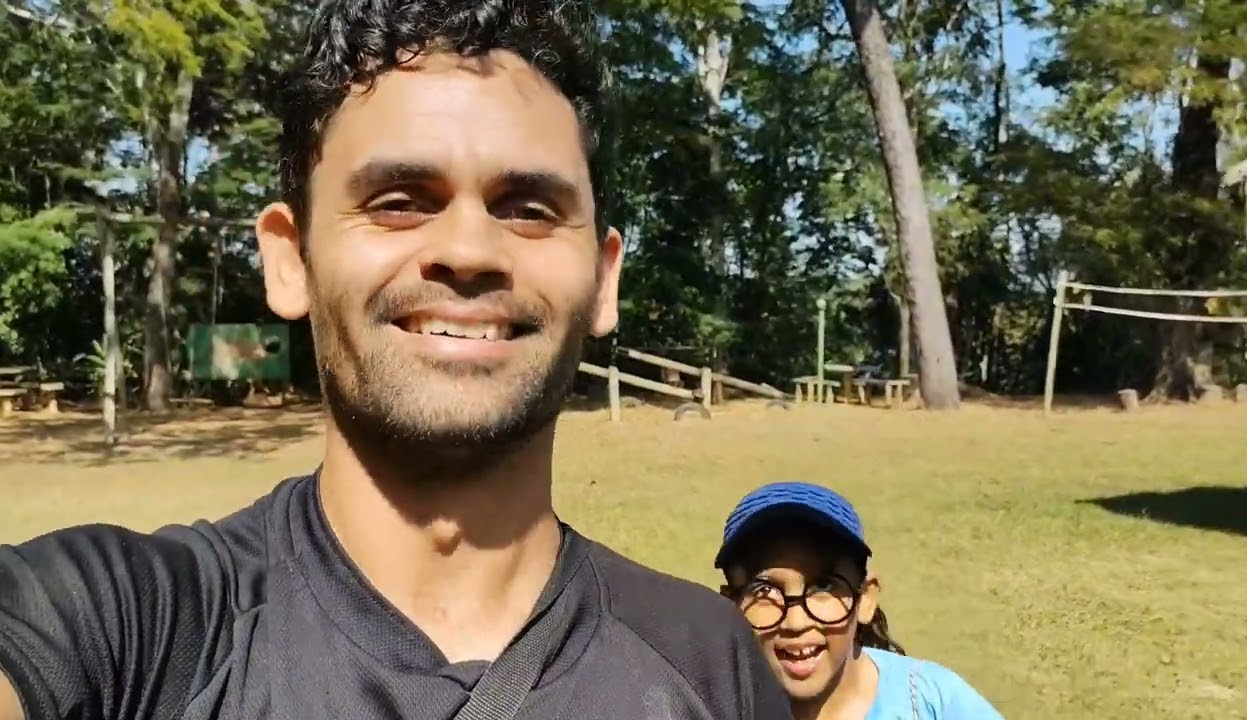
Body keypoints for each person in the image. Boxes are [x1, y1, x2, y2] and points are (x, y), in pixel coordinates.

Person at [0, 2, 793, 719]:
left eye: (529, 209)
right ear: (290, 259)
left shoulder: (711, 665)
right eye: (399, 201)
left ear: (603, 280)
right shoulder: (124, 626)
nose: (469, 250)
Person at [714, 482, 1004, 720]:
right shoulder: (707, 707)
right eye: (765, 591)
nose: (796, 622)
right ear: (730, 608)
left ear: (865, 598)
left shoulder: (933, 702)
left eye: (824, 586)